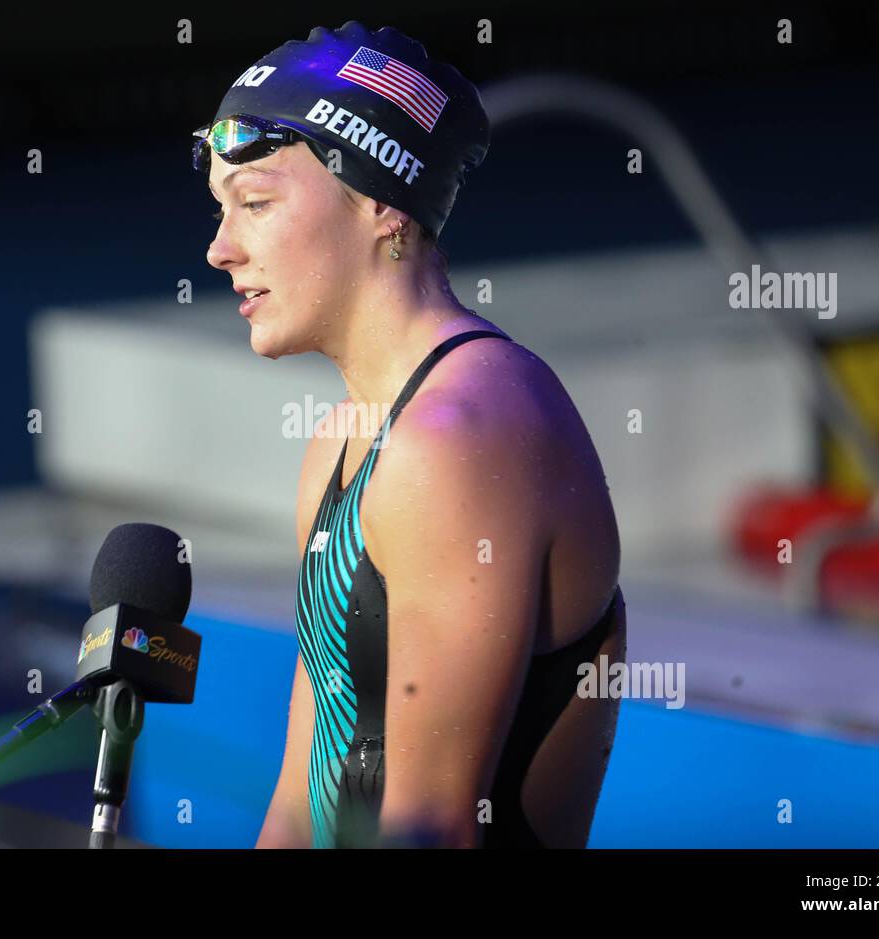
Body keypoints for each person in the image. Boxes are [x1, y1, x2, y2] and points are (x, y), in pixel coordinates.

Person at [194, 21, 625, 848]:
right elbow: (297, 799)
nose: (219, 247)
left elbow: (433, 828)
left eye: (254, 203)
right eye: (221, 208)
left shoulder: (454, 439)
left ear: (383, 208)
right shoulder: (341, 441)